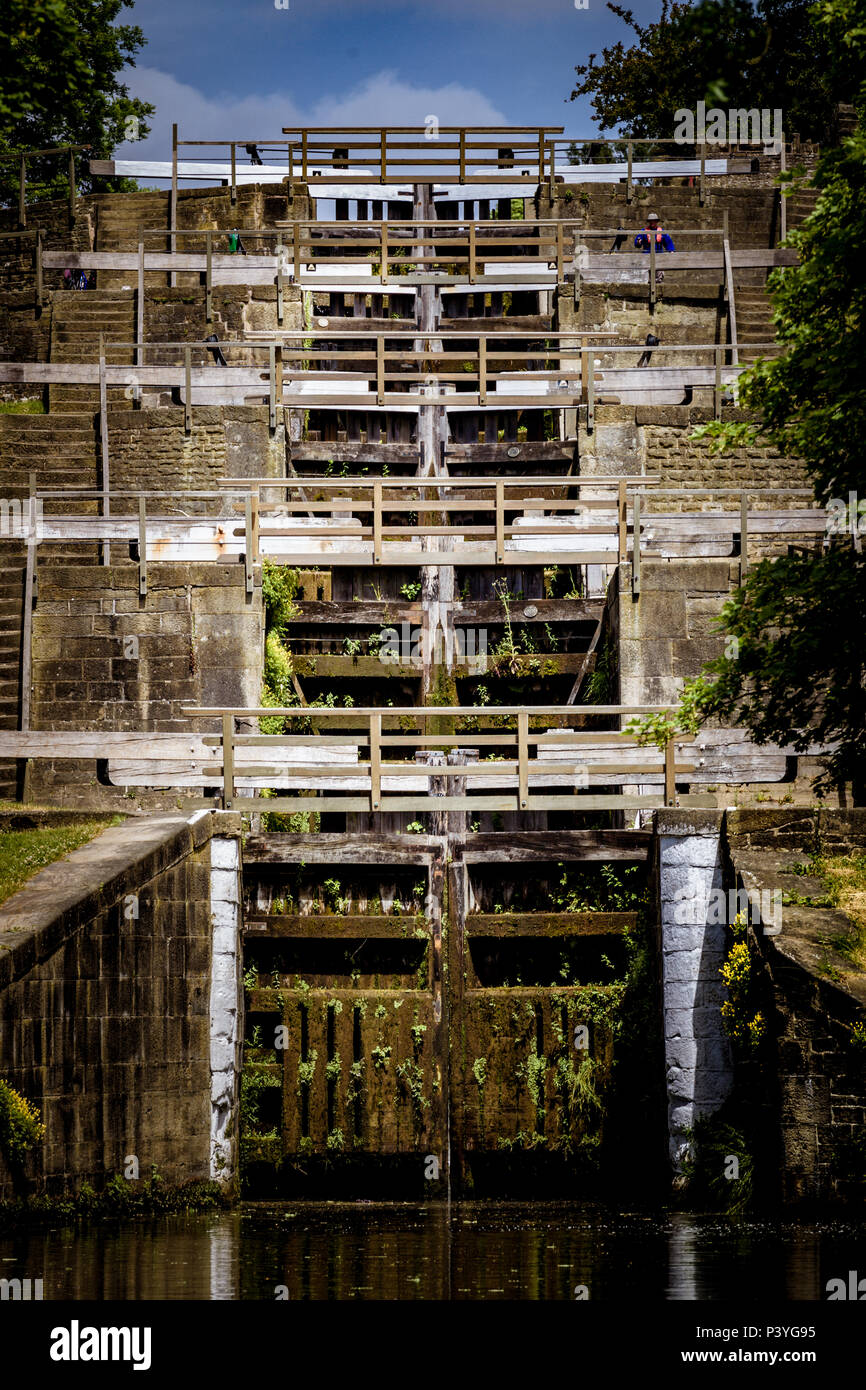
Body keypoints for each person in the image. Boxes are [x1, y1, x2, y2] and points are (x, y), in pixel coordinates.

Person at [634, 213, 675, 281]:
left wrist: (671, 250)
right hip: (647, 256)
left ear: (656, 221)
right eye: (650, 221)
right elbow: (637, 242)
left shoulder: (662, 232)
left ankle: (658, 281)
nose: (652, 222)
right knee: (647, 276)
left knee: (659, 276)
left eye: (654, 221)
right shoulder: (643, 231)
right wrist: (638, 242)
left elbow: (668, 242)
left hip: (659, 256)